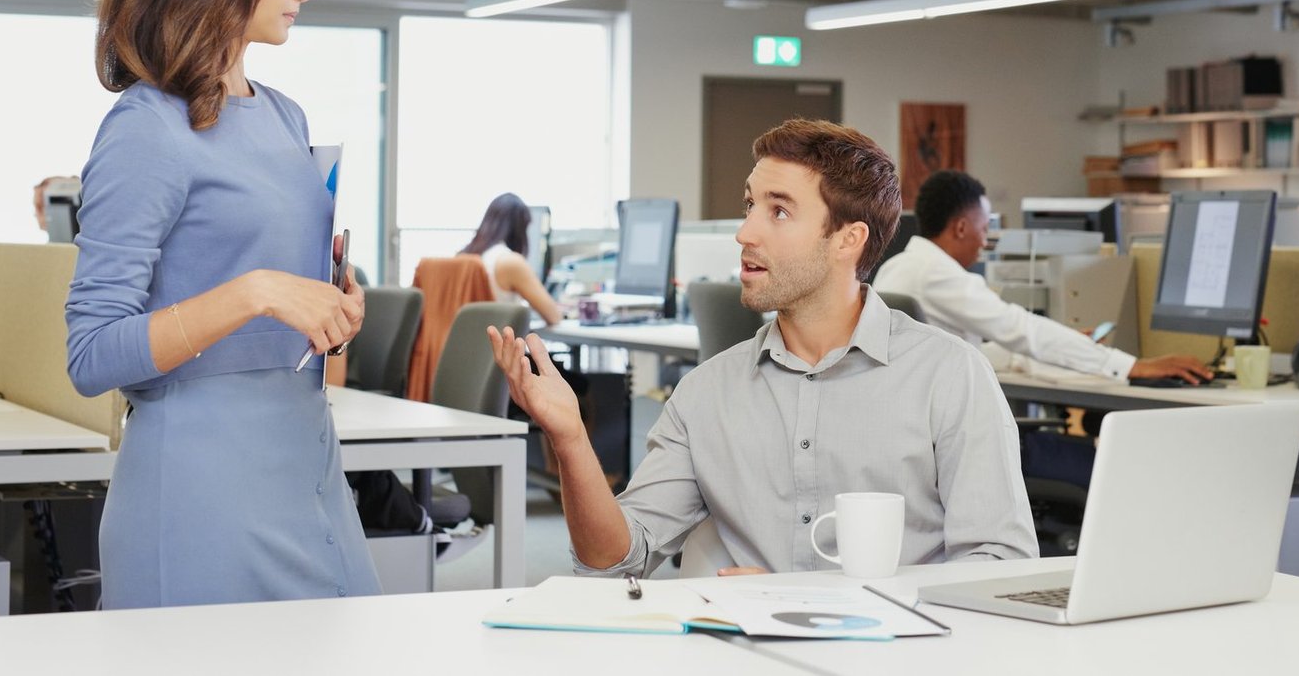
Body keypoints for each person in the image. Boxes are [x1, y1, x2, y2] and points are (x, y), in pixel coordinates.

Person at [488, 118, 1038, 576]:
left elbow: (1000, 568)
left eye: (778, 211)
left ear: (848, 239)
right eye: (750, 204)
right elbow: (614, 560)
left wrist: (808, 599)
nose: (745, 232)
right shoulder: (706, 393)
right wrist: (570, 438)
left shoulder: (949, 377)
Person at [64, 0, 379, 609]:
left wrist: (334, 306)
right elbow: (91, 352)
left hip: (306, 461)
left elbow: (281, 298)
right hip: (202, 487)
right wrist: (258, 292)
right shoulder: (146, 128)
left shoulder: (283, 115)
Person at [873, 170, 1211, 491]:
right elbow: (1020, 328)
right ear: (961, 228)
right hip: (960, 445)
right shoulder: (937, 274)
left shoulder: (898, 268)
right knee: (1113, 461)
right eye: (983, 228)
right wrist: (1131, 365)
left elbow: (958, 351)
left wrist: (1056, 349)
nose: (985, 241)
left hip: (923, 443)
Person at [460, 192, 563, 324]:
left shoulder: (463, 256)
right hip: (496, 341)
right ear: (520, 228)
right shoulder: (509, 261)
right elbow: (553, 316)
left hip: (461, 341)